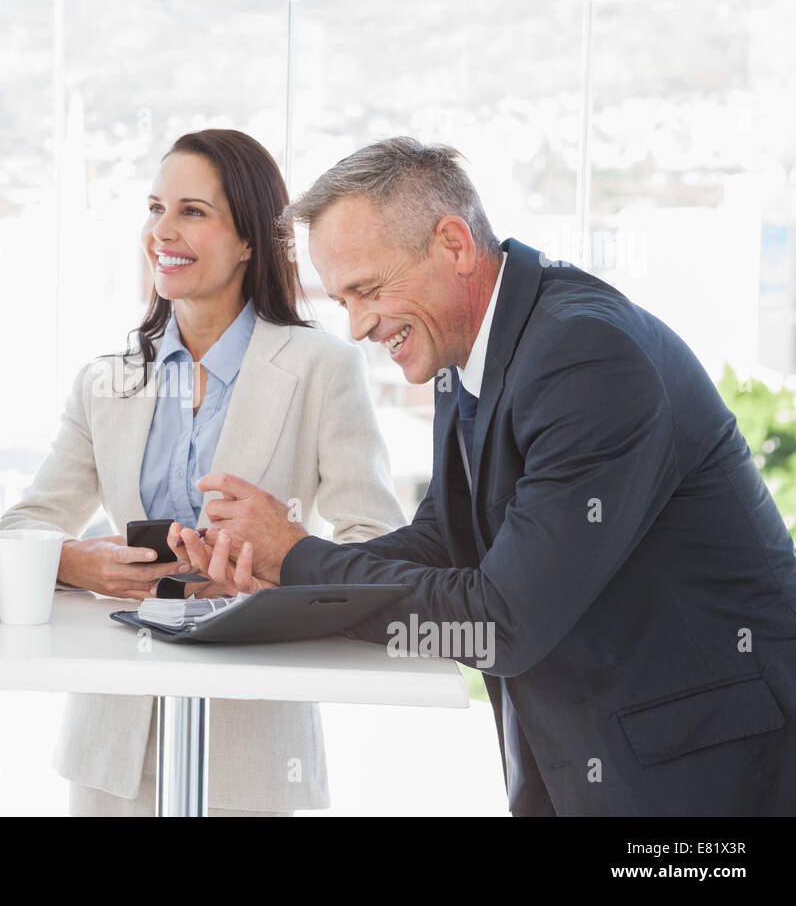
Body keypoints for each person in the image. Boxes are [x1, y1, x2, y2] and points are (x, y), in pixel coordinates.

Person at [176, 136, 796, 816]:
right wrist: (280, 574)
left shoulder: (586, 357)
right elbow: (447, 539)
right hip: (595, 757)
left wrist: (300, 558)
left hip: (704, 776)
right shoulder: (471, 347)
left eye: (368, 290)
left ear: (453, 243)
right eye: (342, 301)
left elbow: (499, 622)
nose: (356, 326)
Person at [0, 129, 405, 815]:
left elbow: (378, 544)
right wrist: (81, 562)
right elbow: (26, 525)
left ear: (249, 238)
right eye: (155, 208)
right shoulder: (108, 380)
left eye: (192, 211)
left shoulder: (322, 369)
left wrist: (280, 564)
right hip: (113, 743)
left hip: (252, 741)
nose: (162, 230)